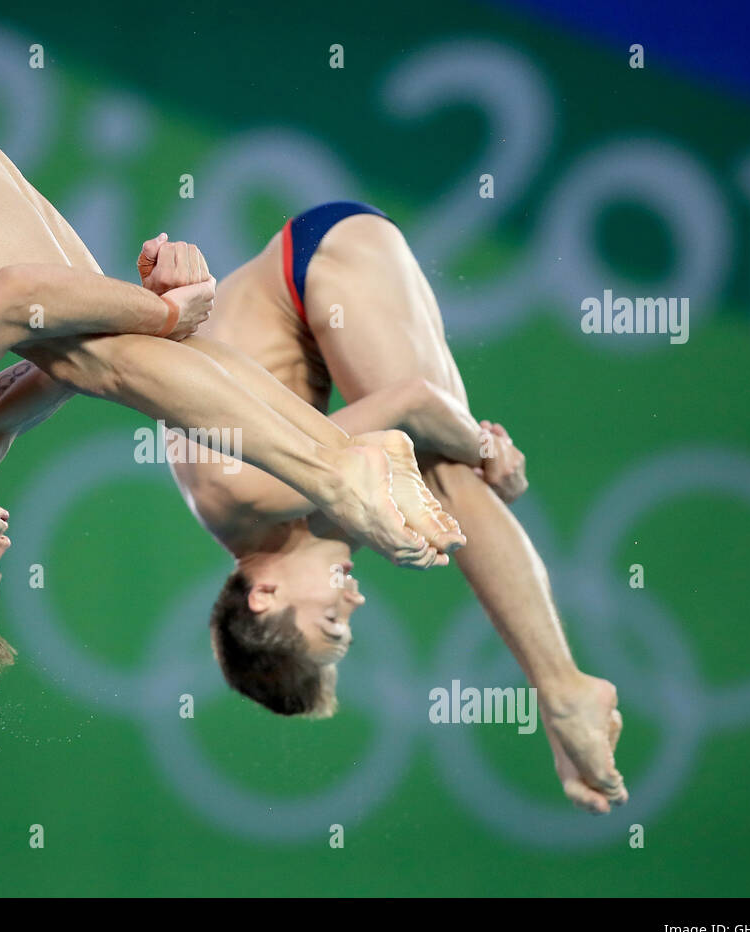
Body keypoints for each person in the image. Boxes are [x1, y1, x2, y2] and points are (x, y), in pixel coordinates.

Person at [0, 91, 460, 695]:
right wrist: (157, 315)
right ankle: (340, 454)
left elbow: (17, 300)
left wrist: (163, 311)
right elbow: (57, 366)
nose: (4, 544)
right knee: (123, 353)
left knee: (114, 351)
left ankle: (336, 470)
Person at [167, 202, 627, 814]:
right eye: (349, 626)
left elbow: (416, 402)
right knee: (441, 480)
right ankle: (560, 692)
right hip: (310, 278)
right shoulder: (290, 533)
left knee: (445, 472)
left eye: (331, 623)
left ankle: (564, 692)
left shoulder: (250, 494)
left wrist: (487, 452)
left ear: (263, 596)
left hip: (317, 262)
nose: (353, 604)